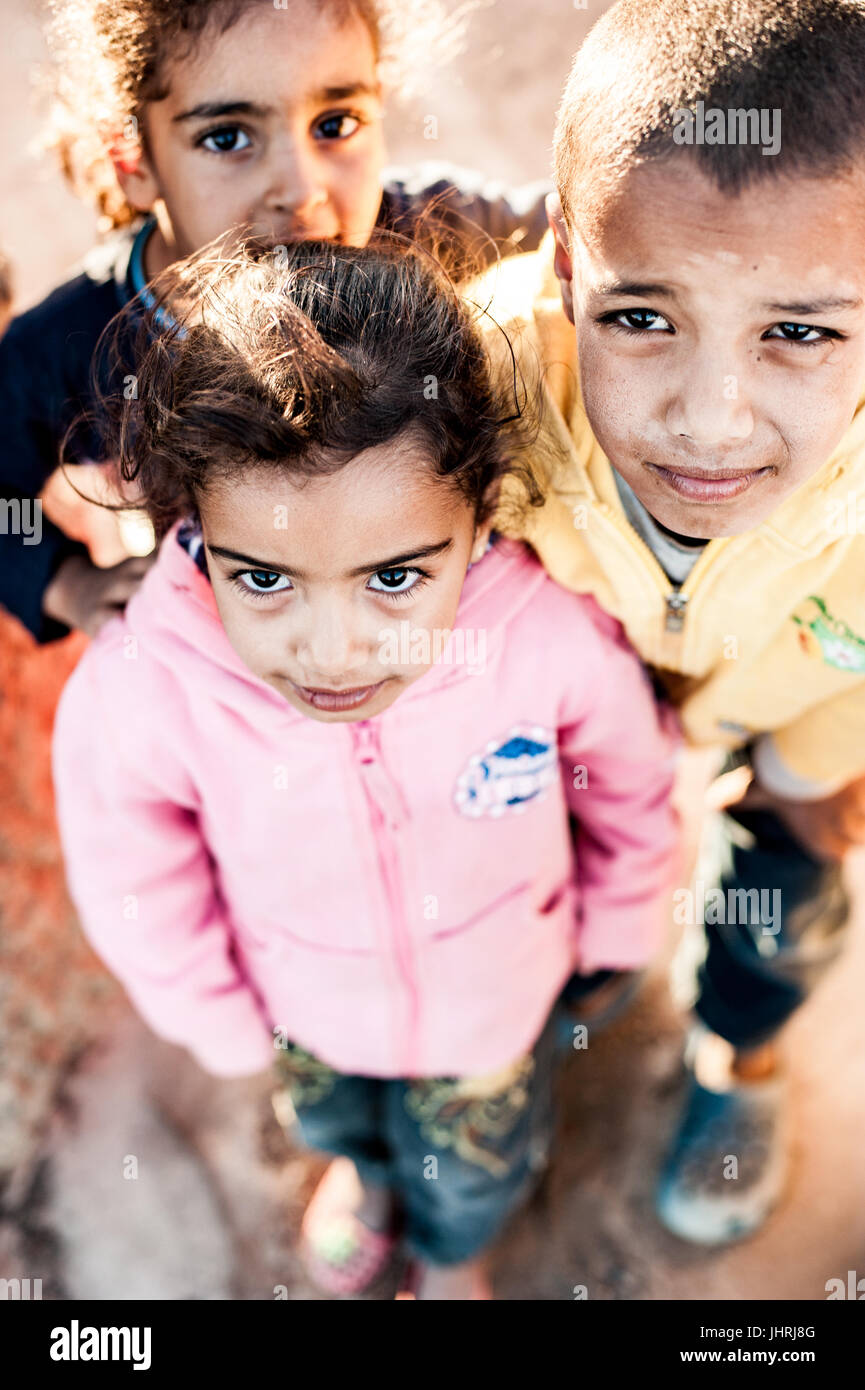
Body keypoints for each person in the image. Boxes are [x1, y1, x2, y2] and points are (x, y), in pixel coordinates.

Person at [51, 237, 678, 1299]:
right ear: (196, 525)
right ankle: (363, 1177)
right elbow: (131, 874)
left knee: (478, 1162)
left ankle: (454, 1248)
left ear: (477, 515)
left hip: (496, 1004)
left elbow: (627, 780)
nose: (334, 647)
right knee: (334, 1116)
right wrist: (217, 1016)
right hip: (298, 1009)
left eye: (394, 575)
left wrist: (617, 928)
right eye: (266, 576)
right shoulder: (149, 686)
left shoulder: (542, 632)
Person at [475, 0, 865, 1246]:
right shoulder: (479, 386)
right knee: (526, 883)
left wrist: (813, 763)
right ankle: (497, 1063)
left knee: (778, 897)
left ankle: (734, 1062)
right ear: (564, 269)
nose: (708, 425)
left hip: (805, 706)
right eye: (640, 318)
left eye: (798, 333)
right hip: (568, 721)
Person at [0, 0, 549, 643]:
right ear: (133, 159)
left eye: (336, 123)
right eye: (227, 137)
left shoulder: (434, 232)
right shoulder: (78, 341)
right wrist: (67, 582)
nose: (300, 187)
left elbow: (584, 226)